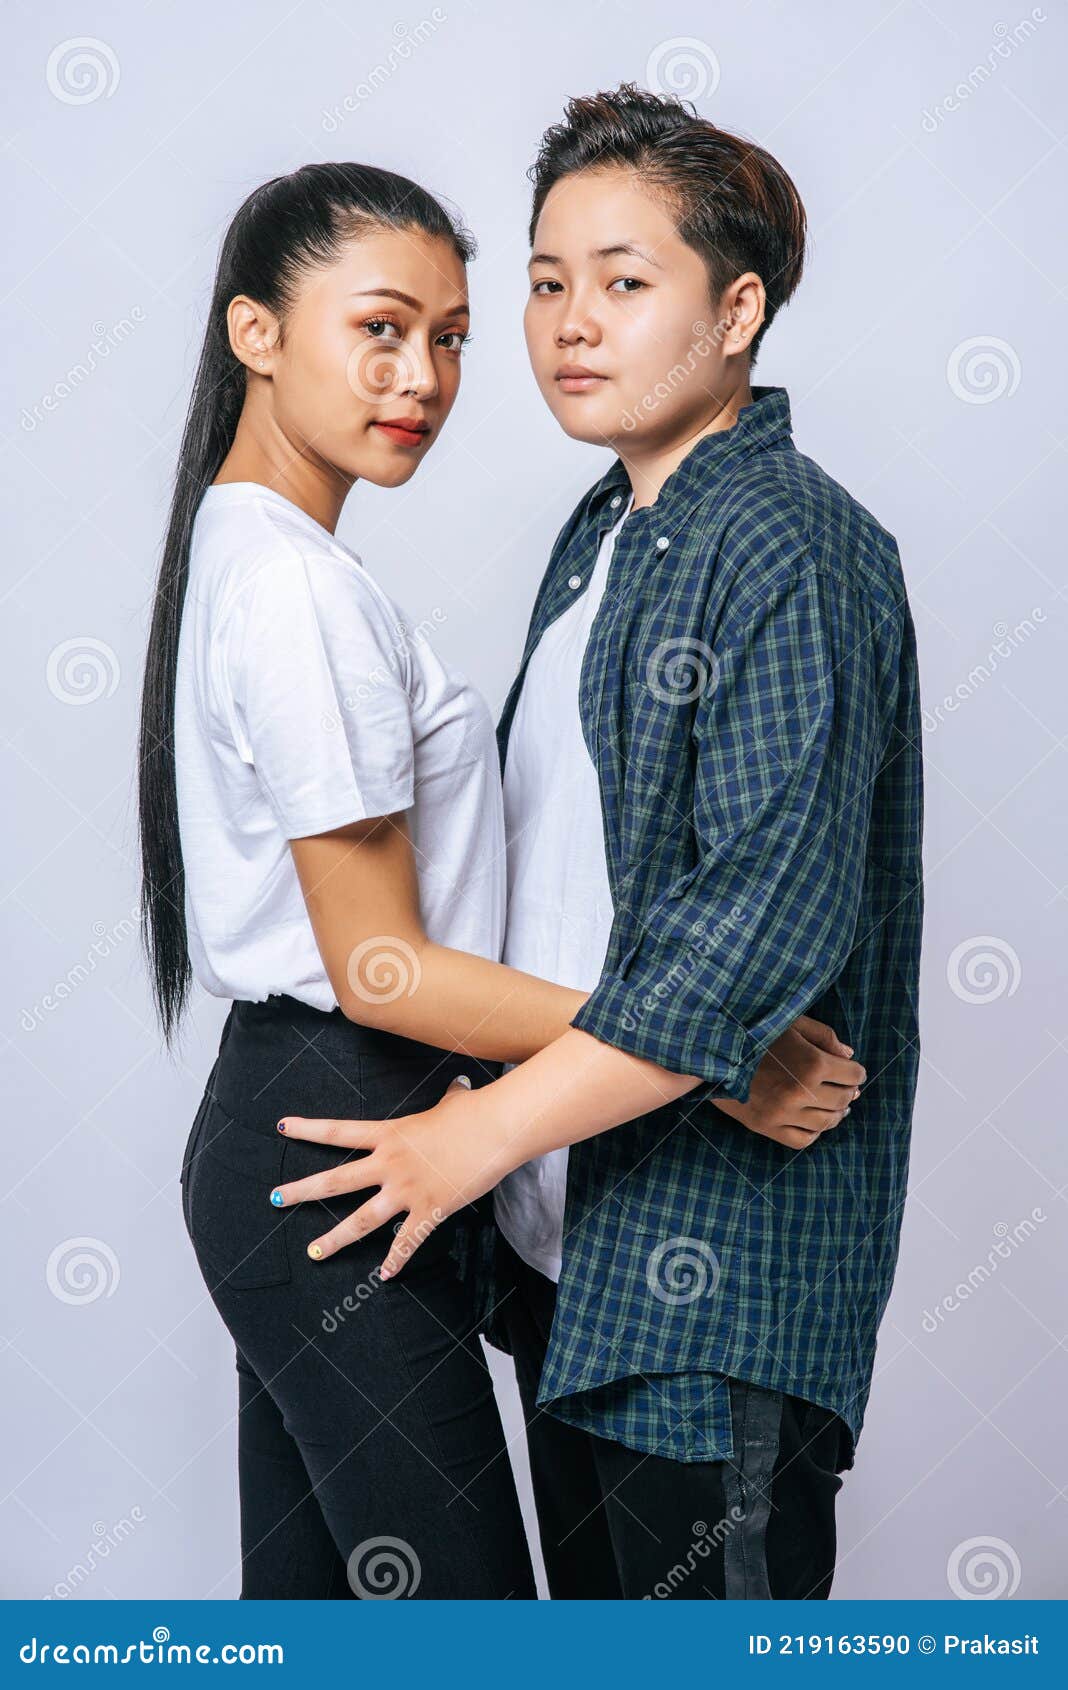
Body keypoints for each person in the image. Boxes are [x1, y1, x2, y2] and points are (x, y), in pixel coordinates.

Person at [141, 159, 858, 1599]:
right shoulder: (294, 585)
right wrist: (696, 1049)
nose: (426, 376)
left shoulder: (261, 553)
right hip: (343, 1130)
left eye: (454, 334)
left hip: (320, 1132)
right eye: (384, 328)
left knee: (323, 1618)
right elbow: (382, 969)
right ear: (256, 333)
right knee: (467, 1623)